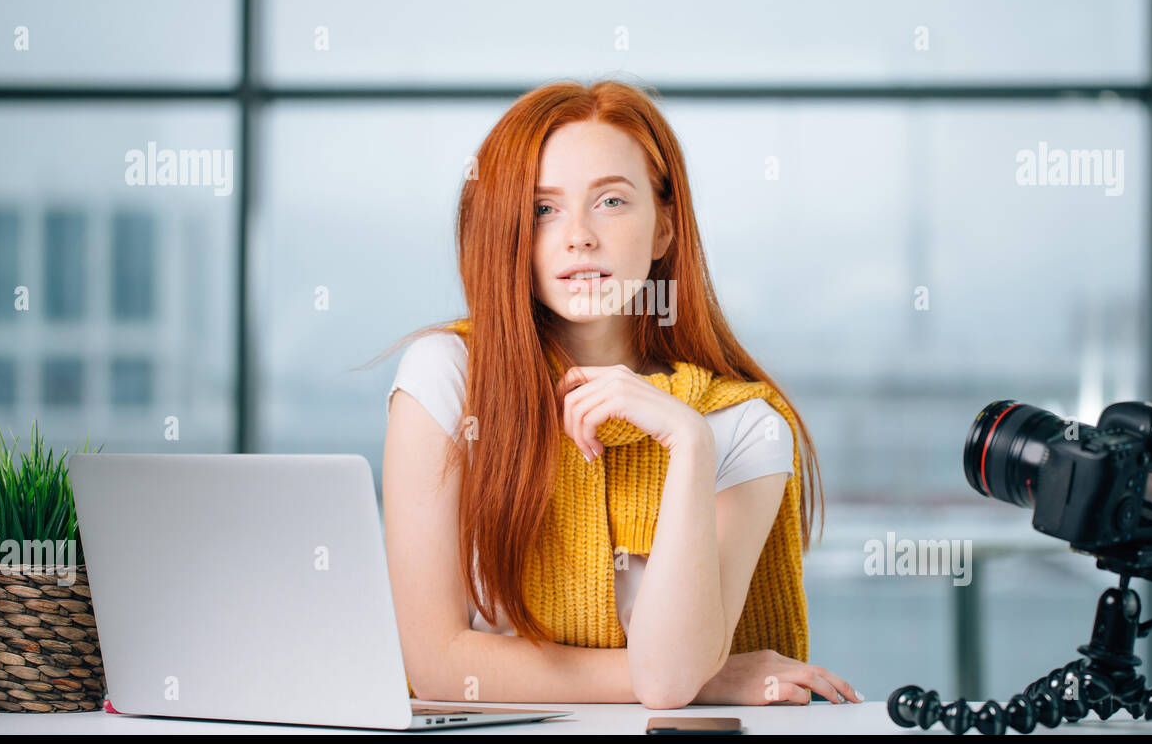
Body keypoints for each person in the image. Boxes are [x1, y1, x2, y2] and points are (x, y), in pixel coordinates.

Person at [368, 78, 861, 709]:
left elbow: (667, 679)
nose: (579, 236)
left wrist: (688, 439)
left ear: (663, 231)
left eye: (610, 202)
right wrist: (704, 678)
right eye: (544, 209)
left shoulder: (746, 425)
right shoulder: (446, 376)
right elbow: (439, 666)